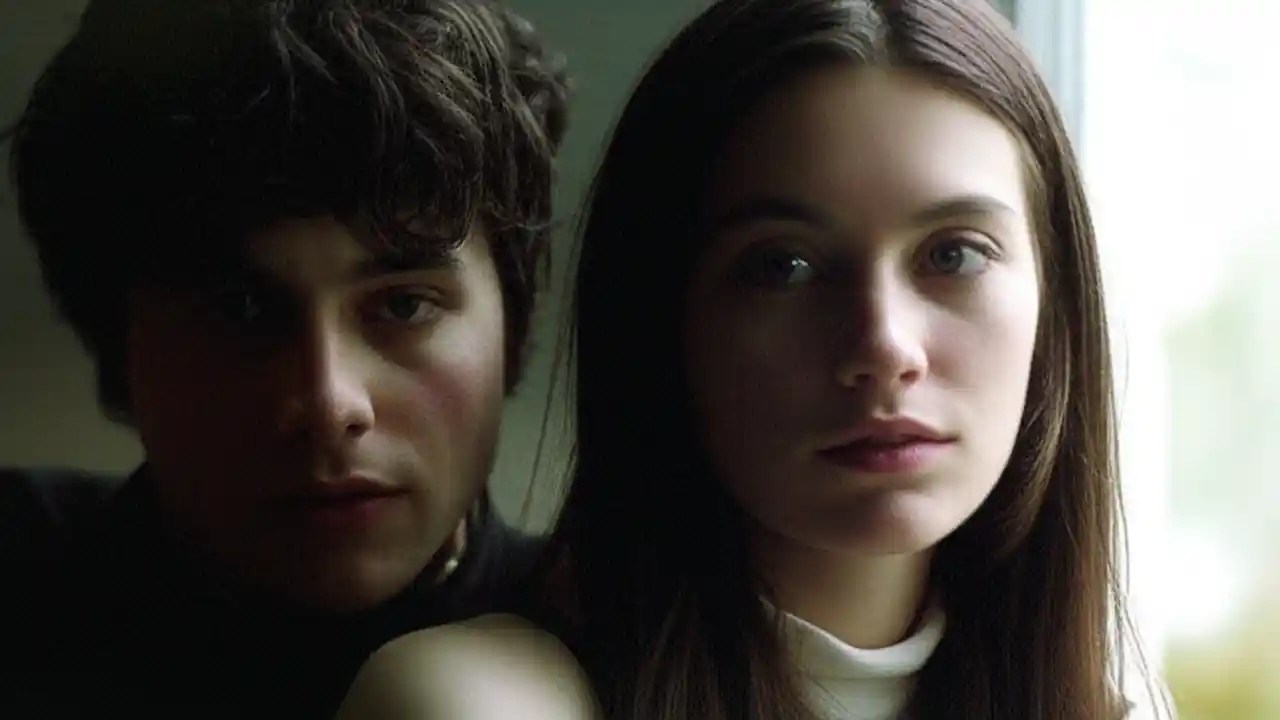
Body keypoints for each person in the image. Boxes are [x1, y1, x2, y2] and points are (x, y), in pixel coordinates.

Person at [341, 0, 1177, 718]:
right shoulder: (481, 703)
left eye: (953, 255)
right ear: (664, 320)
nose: (884, 347)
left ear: (1053, 302)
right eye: (784, 266)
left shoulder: (1113, 701)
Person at [1, 0, 569, 716]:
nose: (330, 404)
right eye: (239, 309)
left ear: (513, 321)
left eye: (402, 305)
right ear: (115, 345)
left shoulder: (641, 651)